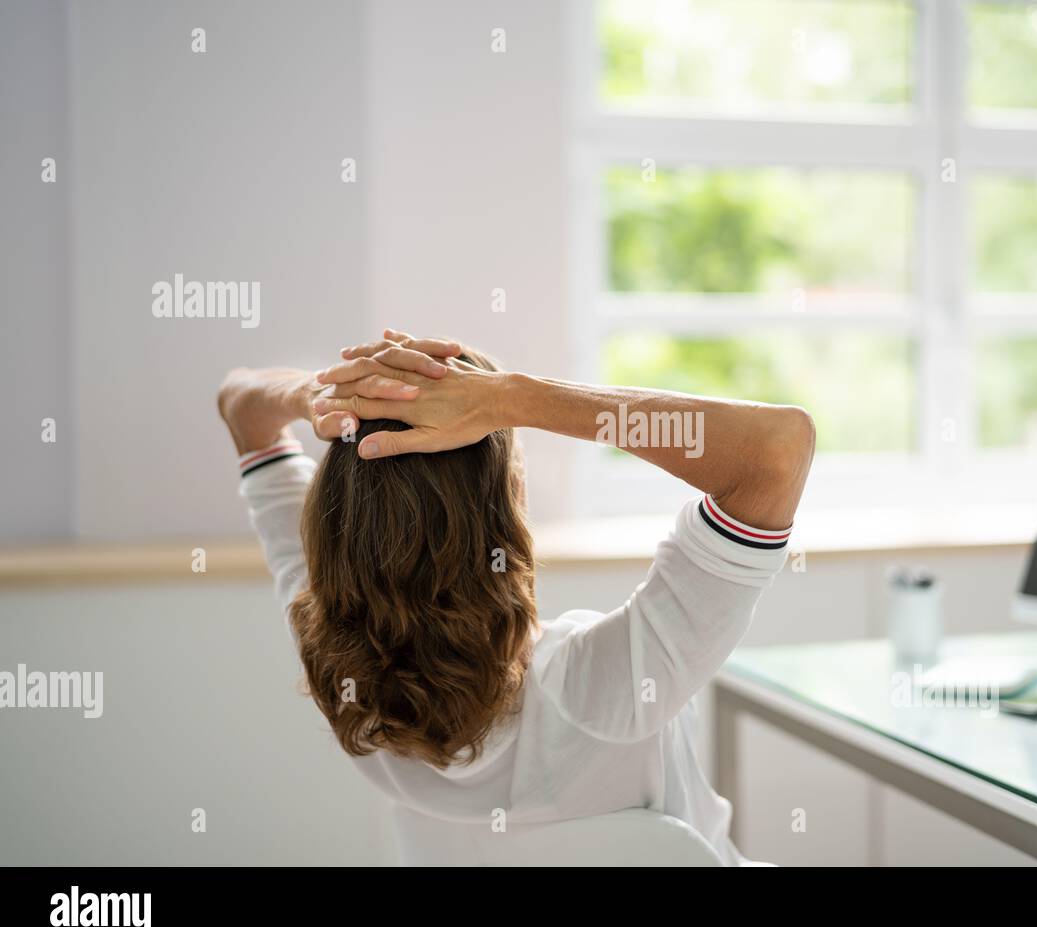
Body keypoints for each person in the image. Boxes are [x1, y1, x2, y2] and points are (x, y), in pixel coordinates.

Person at [217, 329, 815, 864]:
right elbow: (777, 447)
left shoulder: (337, 664)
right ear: (513, 496)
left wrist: (326, 395)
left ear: (335, 514)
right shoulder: (606, 687)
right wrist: (513, 398)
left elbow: (240, 404)